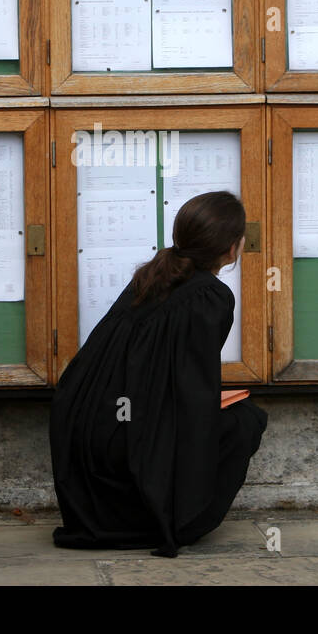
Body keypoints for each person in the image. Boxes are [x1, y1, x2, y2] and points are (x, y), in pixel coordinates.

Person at [49, 190, 269, 557]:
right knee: (245, 420)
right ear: (233, 248)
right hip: (126, 447)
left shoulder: (152, 276)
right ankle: (178, 519)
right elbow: (190, 392)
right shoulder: (209, 296)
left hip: (86, 438)